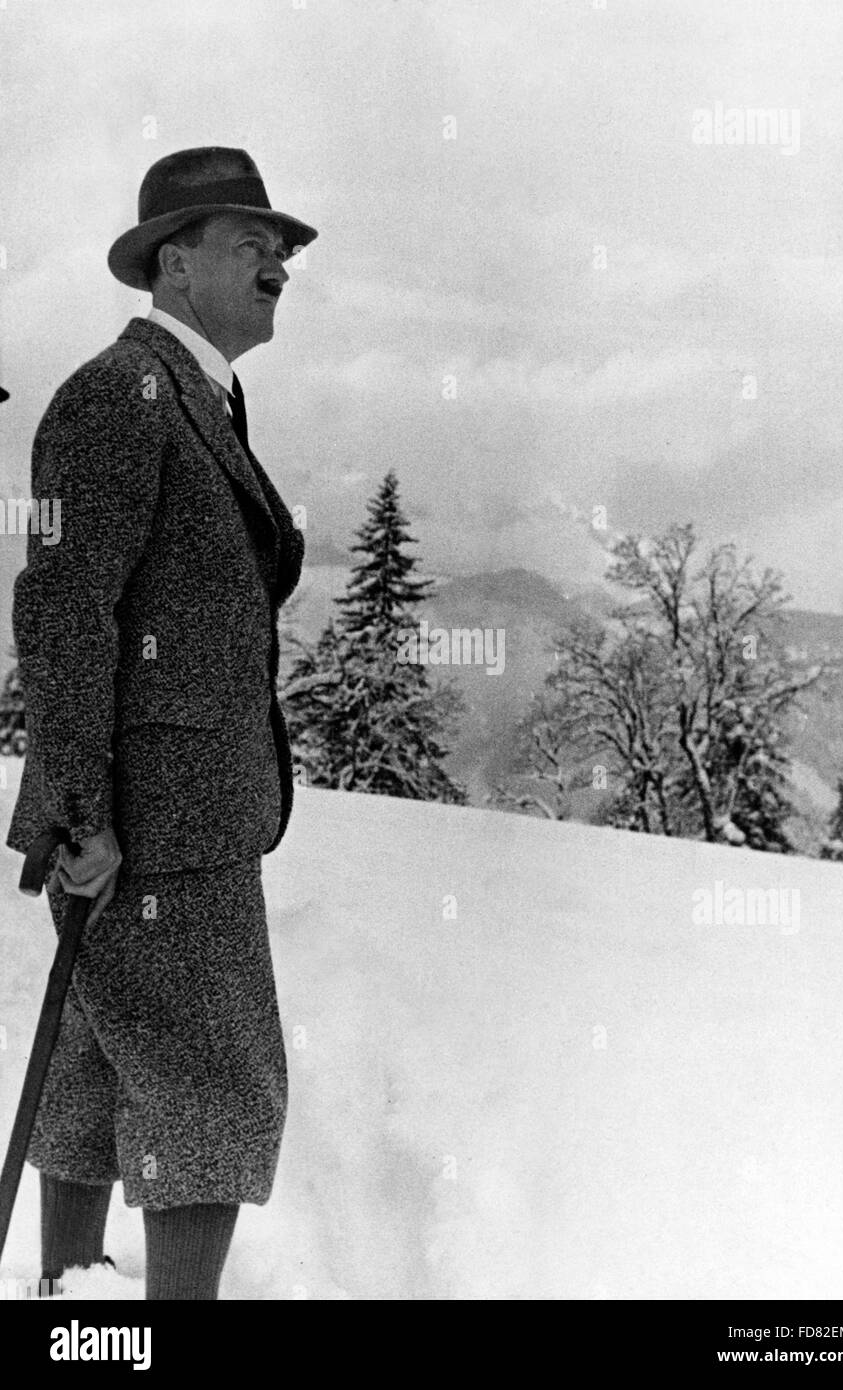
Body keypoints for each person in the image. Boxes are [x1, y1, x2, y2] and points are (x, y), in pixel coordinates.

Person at [6, 146, 317, 1300]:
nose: (278, 259)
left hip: (174, 818)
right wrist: (80, 809)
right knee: (216, 1085)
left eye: (280, 244)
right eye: (252, 239)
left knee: (96, 1073)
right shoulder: (118, 393)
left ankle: (70, 1309)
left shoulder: (197, 398)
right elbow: (62, 597)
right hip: (153, 828)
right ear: (175, 261)